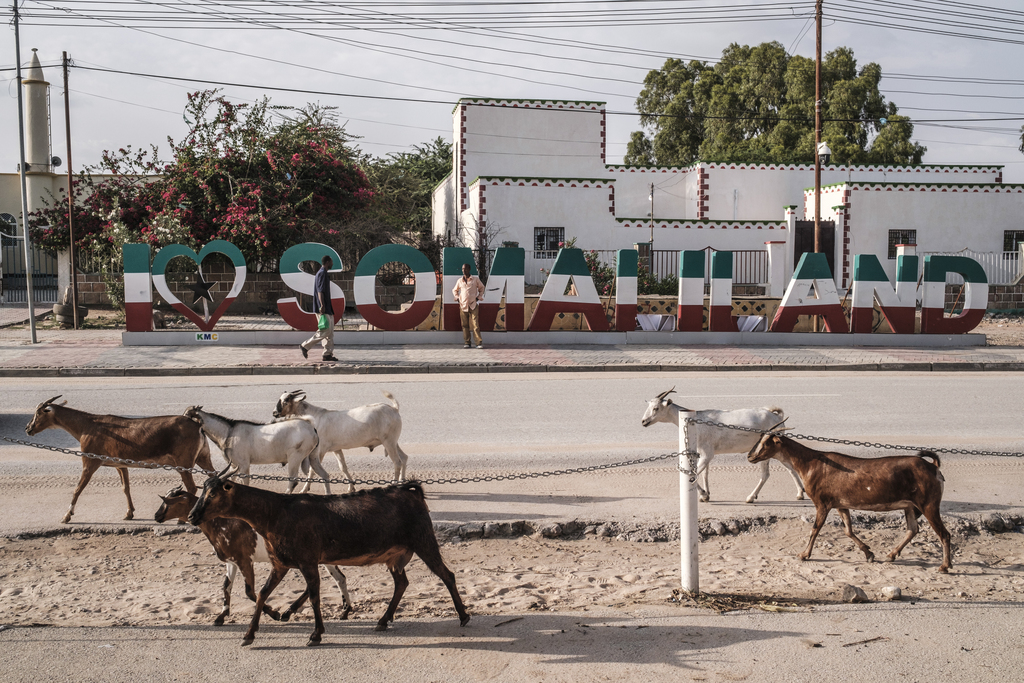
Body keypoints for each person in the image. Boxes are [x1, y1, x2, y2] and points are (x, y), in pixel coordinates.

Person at [300, 255, 338, 361]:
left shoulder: (323, 273)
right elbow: (320, 291)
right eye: (331, 262)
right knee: (325, 330)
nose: (332, 264)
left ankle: (327, 354)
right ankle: (305, 346)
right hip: (323, 307)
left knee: (330, 332)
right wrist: (322, 305)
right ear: (327, 262)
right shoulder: (321, 273)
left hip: (327, 307)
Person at [452, 262, 485, 348]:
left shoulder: (475, 279)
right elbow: (455, 290)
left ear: (469, 269)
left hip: (473, 304)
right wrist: (457, 297)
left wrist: (478, 297)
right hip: (463, 305)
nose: (464, 271)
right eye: (462, 269)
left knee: (475, 324)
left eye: (465, 269)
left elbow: (482, 288)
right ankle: (467, 342)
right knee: (465, 325)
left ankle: (478, 343)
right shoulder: (460, 280)